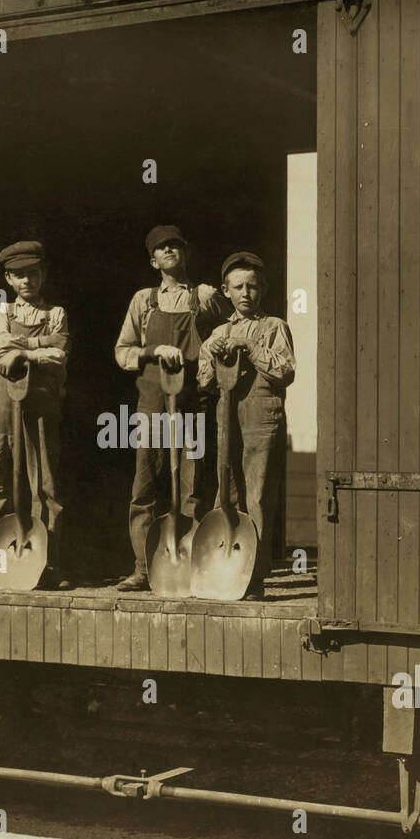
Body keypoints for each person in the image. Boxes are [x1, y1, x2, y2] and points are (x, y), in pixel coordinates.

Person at [113, 225, 232, 592]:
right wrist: (153, 351)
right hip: (152, 404)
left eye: (175, 245)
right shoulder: (143, 301)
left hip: (193, 402)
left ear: (186, 252)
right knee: (145, 484)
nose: (169, 250)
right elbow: (122, 352)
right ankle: (144, 568)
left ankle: (192, 567)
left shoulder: (206, 296)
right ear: (153, 261)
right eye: (161, 247)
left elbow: (232, 330)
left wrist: (211, 348)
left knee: (191, 484)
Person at [0, 241, 70, 590]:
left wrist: (26, 352)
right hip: (4, 406)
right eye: (19, 274)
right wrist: (41, 347)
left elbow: (61, 353)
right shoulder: (1, 312)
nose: (27, 280)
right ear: (8, 278)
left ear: (44, 274)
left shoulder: (56, 313)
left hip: (42, 404)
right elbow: (2, 349)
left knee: (45, 483)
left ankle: (48, 565)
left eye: (33, 273)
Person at [198, 251, 295, 601]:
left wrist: (250, 346)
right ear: (225, 290)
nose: (246, 293)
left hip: (261, 416)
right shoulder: (219, 331)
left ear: (263, 289)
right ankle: (225, 572)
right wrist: (212, 356)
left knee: (257, 496)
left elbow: (286, 371)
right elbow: (203, 381)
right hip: (227, 417)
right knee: (226, 491)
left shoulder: (274, 327)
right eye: (238, 286)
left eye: (253, 286)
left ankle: (255, 577)